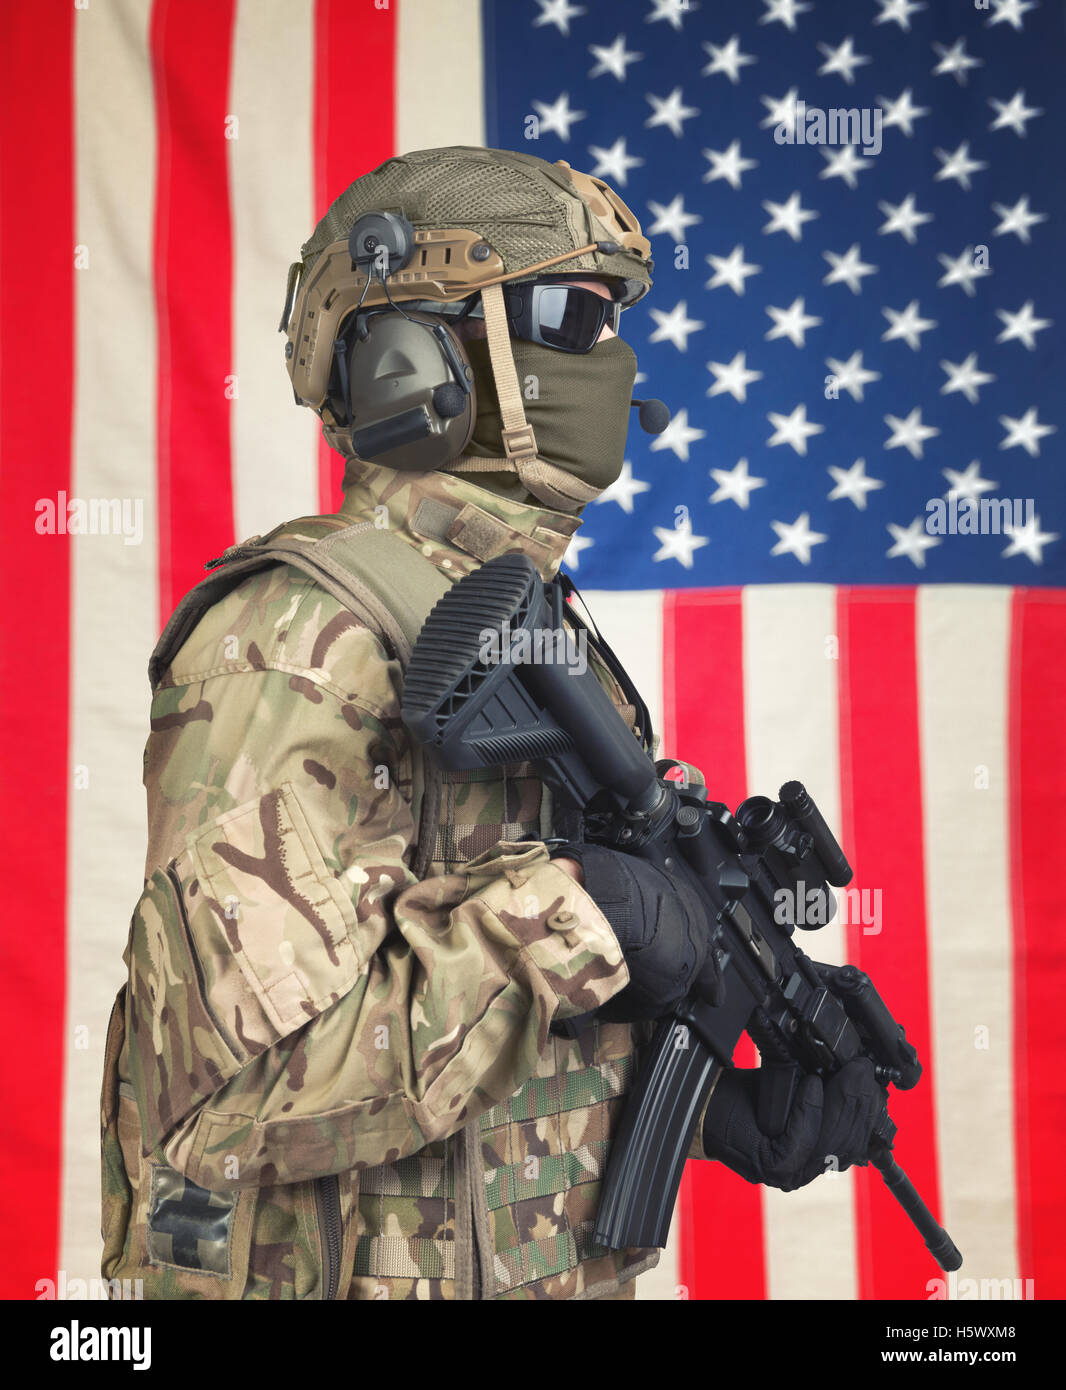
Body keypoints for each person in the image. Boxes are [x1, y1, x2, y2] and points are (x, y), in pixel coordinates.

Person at [100, 146, 881, 1300]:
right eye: (569, 315)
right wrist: (590, 910)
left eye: (613, 323)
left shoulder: (530, 629)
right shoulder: (293, 638)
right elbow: (238, 1095)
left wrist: (705, 1097)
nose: (611, 363)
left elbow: (495, 1046)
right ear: (416, 357)